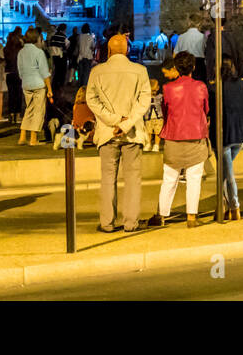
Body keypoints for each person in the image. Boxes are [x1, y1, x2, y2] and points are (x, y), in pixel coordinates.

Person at [87, 33, 152, 232]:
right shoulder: (140, 71)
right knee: (133, 179)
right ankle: (131, 223)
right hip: (132, 132)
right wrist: (126, 123)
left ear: (108, 51)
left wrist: (113, 120)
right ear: (128, 49)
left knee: (107, 179)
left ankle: (107, 223)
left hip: (107, 132)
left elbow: (92, 100)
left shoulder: (97, 72)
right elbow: (144, 102)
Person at [150, 51, 208, 228]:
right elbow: (205, 109)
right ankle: (191, 216)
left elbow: (165, 111)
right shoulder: (201, 87)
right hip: (195, 137)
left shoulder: (168, 89)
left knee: (169, 178)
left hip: (174, 137)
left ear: (176, 68)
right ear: (194, 67)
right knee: (194, 179)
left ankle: (162, 215)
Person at [212, 58, 243, 221]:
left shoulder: (216, 88)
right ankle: (222, 206)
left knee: (227, 173)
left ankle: (234, 206)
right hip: (241, 134)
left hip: (225, 135)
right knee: (224, 170)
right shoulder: (242, 84)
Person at [16, 28, 52, 146]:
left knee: (29, 110)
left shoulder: (21, 52)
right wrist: (50, 89)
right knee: (38, 111)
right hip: (38, 84)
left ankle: (22, 137)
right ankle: (33, 139)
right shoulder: (39, 52)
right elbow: (45, 73)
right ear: (37, 38)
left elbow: (20, 71)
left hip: (26, 84)